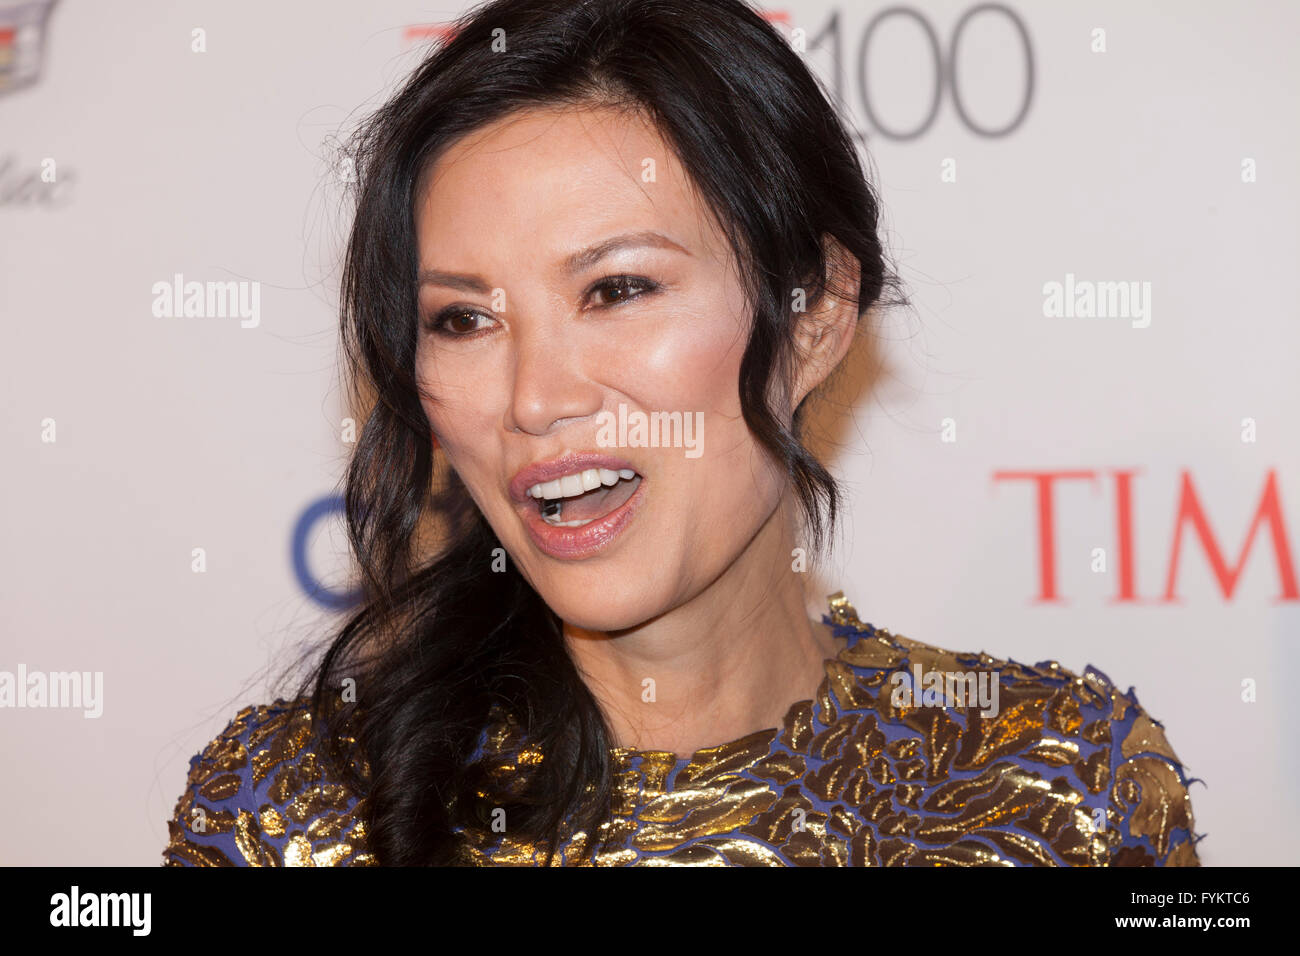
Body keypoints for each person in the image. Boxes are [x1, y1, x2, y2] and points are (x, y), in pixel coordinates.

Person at [162, 0, 1202, 867]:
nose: (534, 397)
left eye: (616, 288)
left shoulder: (1062, 787)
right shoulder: (289, 815)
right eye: (464, 319)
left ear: (815, 315)